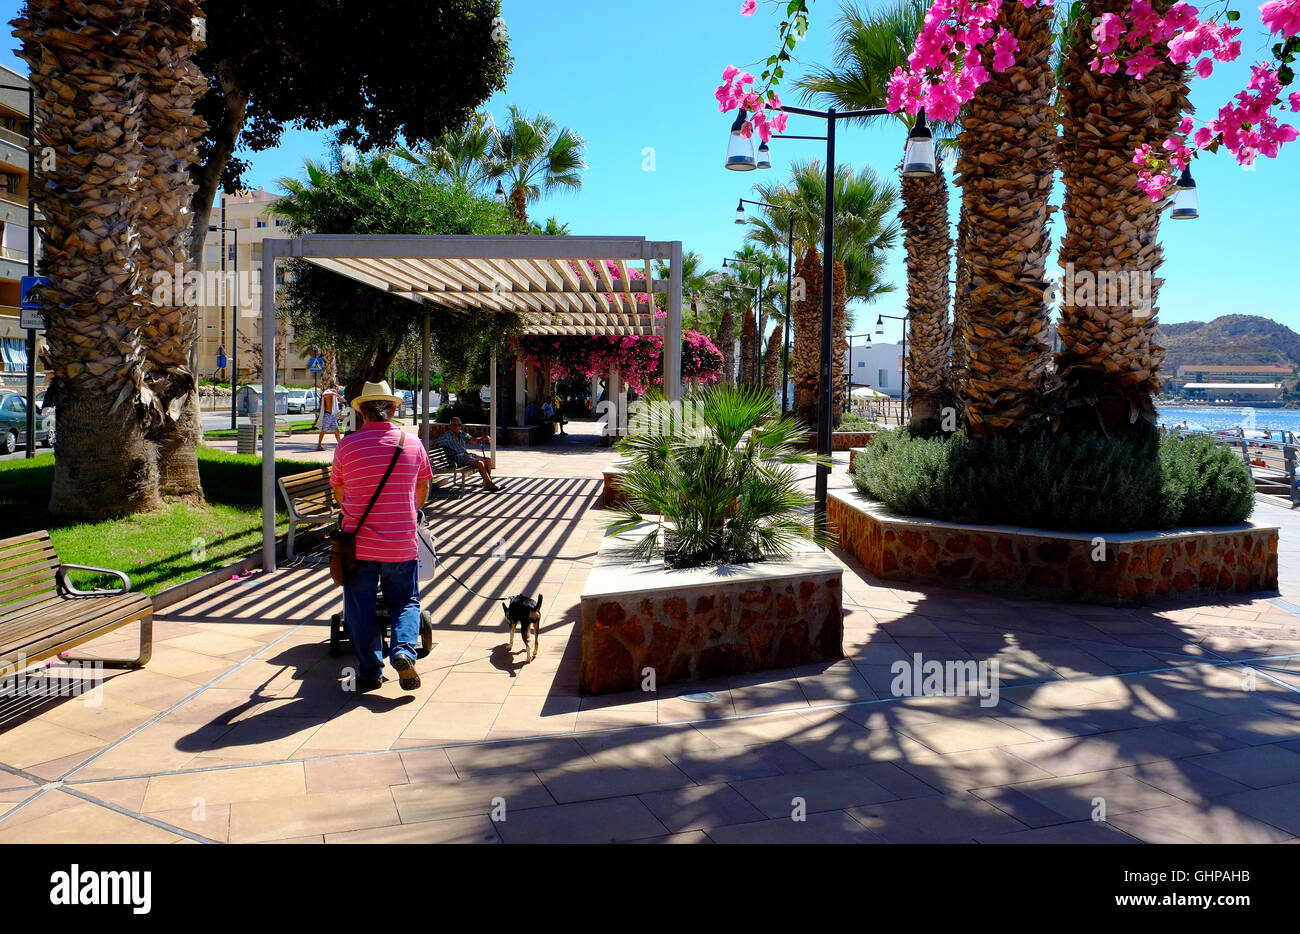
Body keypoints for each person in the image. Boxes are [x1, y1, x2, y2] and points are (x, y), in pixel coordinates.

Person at [330, 381, 431, 692]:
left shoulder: (347, 446)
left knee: (359, 606)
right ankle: (402, 651)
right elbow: (422, 492)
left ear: (361, 411)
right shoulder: (413, 444)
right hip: (401, 542)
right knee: (405, 601)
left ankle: (371, 671)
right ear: (395, 409)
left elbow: (339, 492)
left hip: (357, 544)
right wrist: (402, 510)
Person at [437, 417, 500, 492]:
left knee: (488, 460)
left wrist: (483, 438)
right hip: (458, 459)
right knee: (479, 463)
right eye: (454, 425)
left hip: (466, 456)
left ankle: (487, 484)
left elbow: (473, 441)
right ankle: (490, 484)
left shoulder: (462, 434)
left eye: (459, 425)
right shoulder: (446, 436)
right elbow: (436, 442)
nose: (457, 427)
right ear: (450, 426)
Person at [317, 383, 343, 451]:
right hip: (327, 414)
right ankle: (319, 445)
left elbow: (341, 401)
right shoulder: (328, 391)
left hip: (333, 415)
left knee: (337, 430)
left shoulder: (334, 394)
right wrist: (333, 394)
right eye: (337, 388)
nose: (337, 390)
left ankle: (340, 445)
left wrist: (337, 395)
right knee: (324, 430)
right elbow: (323, 395)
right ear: (333, 387)